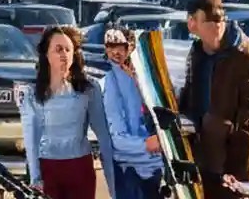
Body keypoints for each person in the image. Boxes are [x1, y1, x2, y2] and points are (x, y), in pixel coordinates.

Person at [178, 0, 249, 199]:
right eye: (209, 20)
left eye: (218, 20)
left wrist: (225, 128)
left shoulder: (246, 56)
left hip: (236, 166)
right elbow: (190, 95)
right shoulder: (197, 53)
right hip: (204, 159)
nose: (216, 25)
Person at [19, 25, 117, 199]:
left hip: (80, 167)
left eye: (68, 49)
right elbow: (31, 139)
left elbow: (103, 135)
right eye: (58, 50)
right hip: (48, 167)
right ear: (46, 55)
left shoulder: (88, 89)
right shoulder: (33, 94)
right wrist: (35, 178)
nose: (64, 54)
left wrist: (112, 184)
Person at [101, 27, 164, 199]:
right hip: (128, 165)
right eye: (111, 46)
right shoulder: (110, 82)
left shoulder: (143, 77)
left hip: (155, 165)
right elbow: (117, 137)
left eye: (121, 46)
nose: (116, 52)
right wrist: (145, 144)